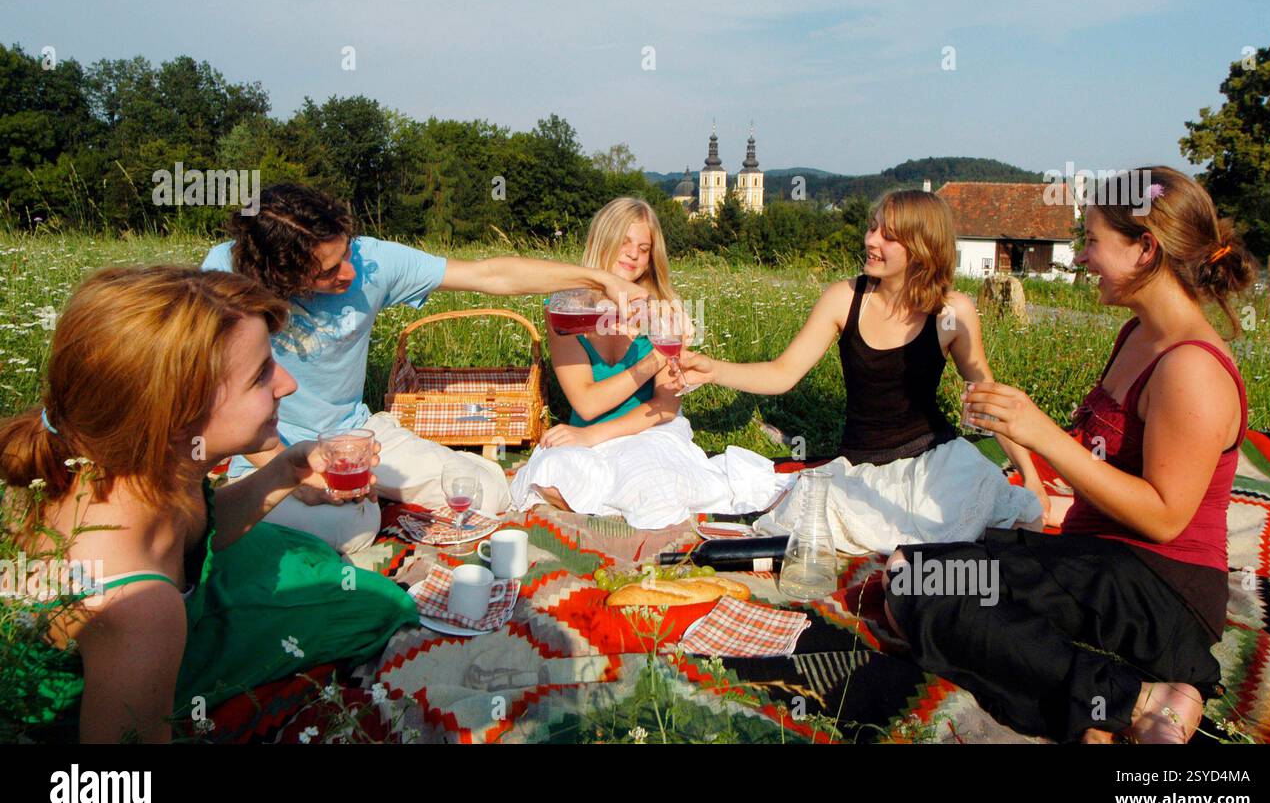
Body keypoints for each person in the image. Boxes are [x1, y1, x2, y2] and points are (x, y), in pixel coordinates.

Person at [883, 166, 1254, 743]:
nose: (1082, 258)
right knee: (920, 574)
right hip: (1099, 559)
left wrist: (1043, 435)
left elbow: (1165, 516)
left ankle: (1136, 698)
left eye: (1093, 241)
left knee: (922, 583)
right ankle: (1103, 707)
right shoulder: (1136, 334)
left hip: (1161, 586)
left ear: (1145, 249)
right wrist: (1038, 480)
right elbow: (1102, 460)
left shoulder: (1191, 368)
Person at [0, 266, 419, 743]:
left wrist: (288, 470)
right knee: (379, 606)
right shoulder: (135, 605)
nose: (287, 384)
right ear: (178, 414)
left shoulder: (126, 460)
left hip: (172, 617)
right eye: (261, 374)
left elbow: (195, 533)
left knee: (325, 566)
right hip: (152, 660)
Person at [201, 184, 649, 554]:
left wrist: (599, 279)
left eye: (346, 254)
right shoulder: (225, 274)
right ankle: (349, 508)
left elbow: (491, 275)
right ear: (281, 275)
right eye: (327, 271)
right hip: (270, 450)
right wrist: (292, 476)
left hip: (358, 437)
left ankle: (369, 498)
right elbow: (218, 397)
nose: (348, 274)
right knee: (350, 528)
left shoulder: (371, 261)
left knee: (485, 492)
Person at [677, 189, 1046, 553]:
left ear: (921, 247)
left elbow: (986, 394)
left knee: (1015, 517)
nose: (871, 240)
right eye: (872, 228)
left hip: (934, 464)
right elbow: (782, 373)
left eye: (888, 236)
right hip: (860, 469)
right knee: (804, 532)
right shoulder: (844, 298)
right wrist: (712, 370)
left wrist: (1029, 474)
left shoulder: (952, 311)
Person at [509, 197, 793, 530]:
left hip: (648, 430)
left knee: (651, 480)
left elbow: (665, 406)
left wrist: (597, 433)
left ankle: (615, 501)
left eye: (643, 248)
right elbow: (586, 403)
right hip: (583, 434)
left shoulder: (664, 310)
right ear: (603, 241)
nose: (633, 254)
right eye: (624, 241)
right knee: (548, 475)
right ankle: (616, 500)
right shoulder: (567, 309)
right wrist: (654, 360)